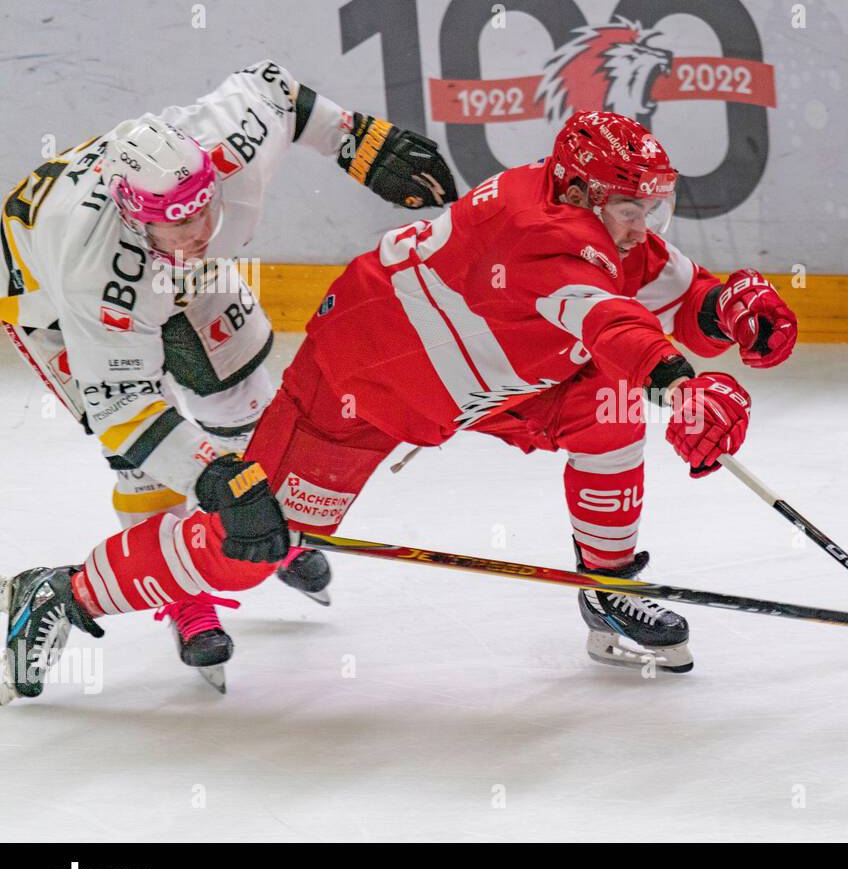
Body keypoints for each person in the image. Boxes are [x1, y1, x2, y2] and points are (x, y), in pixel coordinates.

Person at [1, 110, 796, 704]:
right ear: (584, 192)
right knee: (253, 540)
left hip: (483, 375)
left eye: (654, 206)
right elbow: (609, 321)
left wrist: (731, 308)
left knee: (611, 408)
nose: (646, 225)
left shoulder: (606, 227)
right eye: (634, 207)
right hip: (365, 377)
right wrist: (681, 382)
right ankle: (62, 592)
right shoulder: (540, 232)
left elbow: (668, 291)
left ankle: (608, 589)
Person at [0, 60, 456, 685]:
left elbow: (274, 88)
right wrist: (215, 483)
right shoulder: (93, 271)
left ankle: (258, 535)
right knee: (142, 459)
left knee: (245, 403)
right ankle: (183, 592)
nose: (198, 231)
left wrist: (355, 139)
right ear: (135, 217)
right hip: (45, 304)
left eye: (202, 209)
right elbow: (126, 410)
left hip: (170, 275)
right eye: (177, 221)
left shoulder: (224, 144)